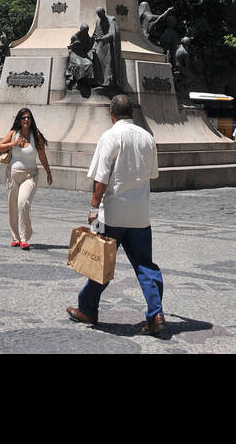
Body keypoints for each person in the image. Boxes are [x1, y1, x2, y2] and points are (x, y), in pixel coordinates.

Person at [67, 94, 165, 334]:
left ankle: (88, 309)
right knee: (145, 266)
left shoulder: (110, 136)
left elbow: (101, 178)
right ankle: (156, 314)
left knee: (100, 262)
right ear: (132, 113)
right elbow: (152, 174)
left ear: (111, 115)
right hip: (140, 214)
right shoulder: (147, 137)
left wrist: (93, 208)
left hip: (112, 214)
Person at [0, 108, 52, 249]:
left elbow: (42, 155)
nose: (26, 120)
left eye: (28, 117)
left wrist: (48, 171)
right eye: (23, 118)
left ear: (31, 120)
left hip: (30, 175)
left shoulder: (36, 136)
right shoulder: (14, 133)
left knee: (23, 203)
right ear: (19, 120)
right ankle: (15, 237)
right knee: (12, 206)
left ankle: (24, 237)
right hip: (12, 175)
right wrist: (13, 143)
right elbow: (0, 147)